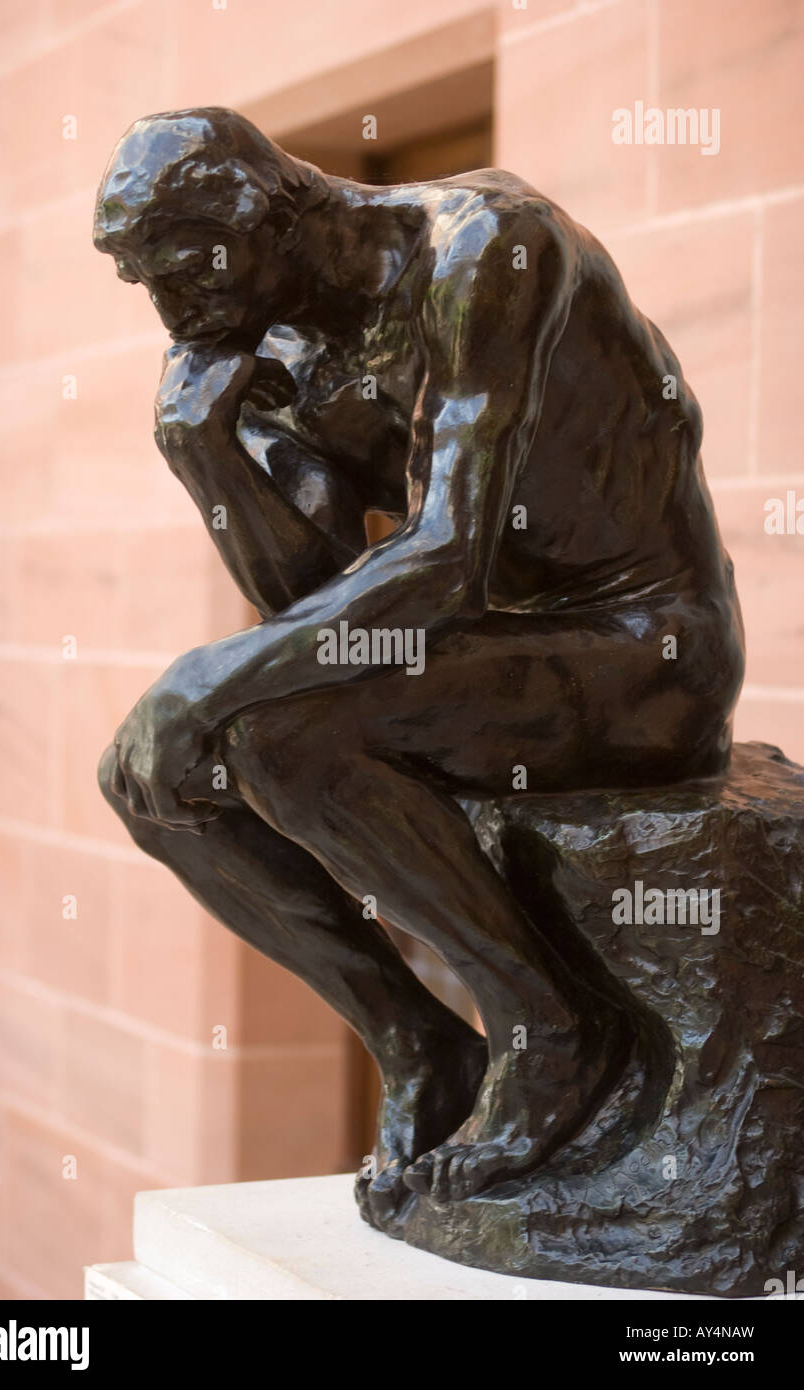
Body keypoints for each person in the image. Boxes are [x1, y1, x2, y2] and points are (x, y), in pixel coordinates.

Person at [93, 108, 744, 1221]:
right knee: (152, 776)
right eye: (145, 287)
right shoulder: (275, 354)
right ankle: (419, 1041)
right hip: (488, 659)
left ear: (258, 216)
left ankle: (550, 1028)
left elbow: (442, 558)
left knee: (261, 728)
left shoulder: (483, 248)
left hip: (643, 645)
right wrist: (207, 460)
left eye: (180, 274)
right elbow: (314, 611)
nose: (170, 316)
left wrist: (213, 678)